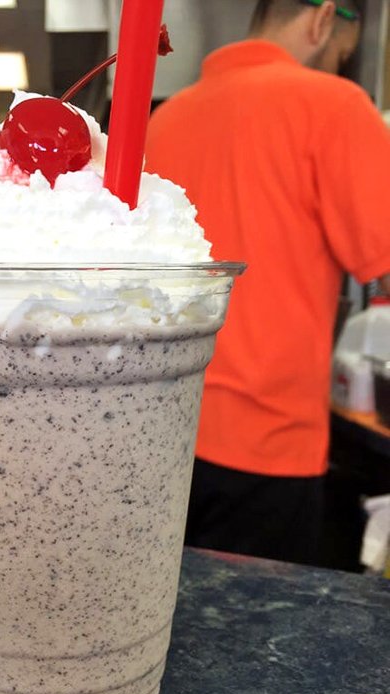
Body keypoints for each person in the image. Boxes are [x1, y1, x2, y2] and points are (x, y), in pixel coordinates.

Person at [145, 0, 390, 565]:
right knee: (253, 635)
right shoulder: (334, 104)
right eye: (340, 55)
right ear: (324, 19)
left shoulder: (167, 117)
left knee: (172, 625)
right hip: (268, 441)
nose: (335, 66)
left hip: (163, 428)